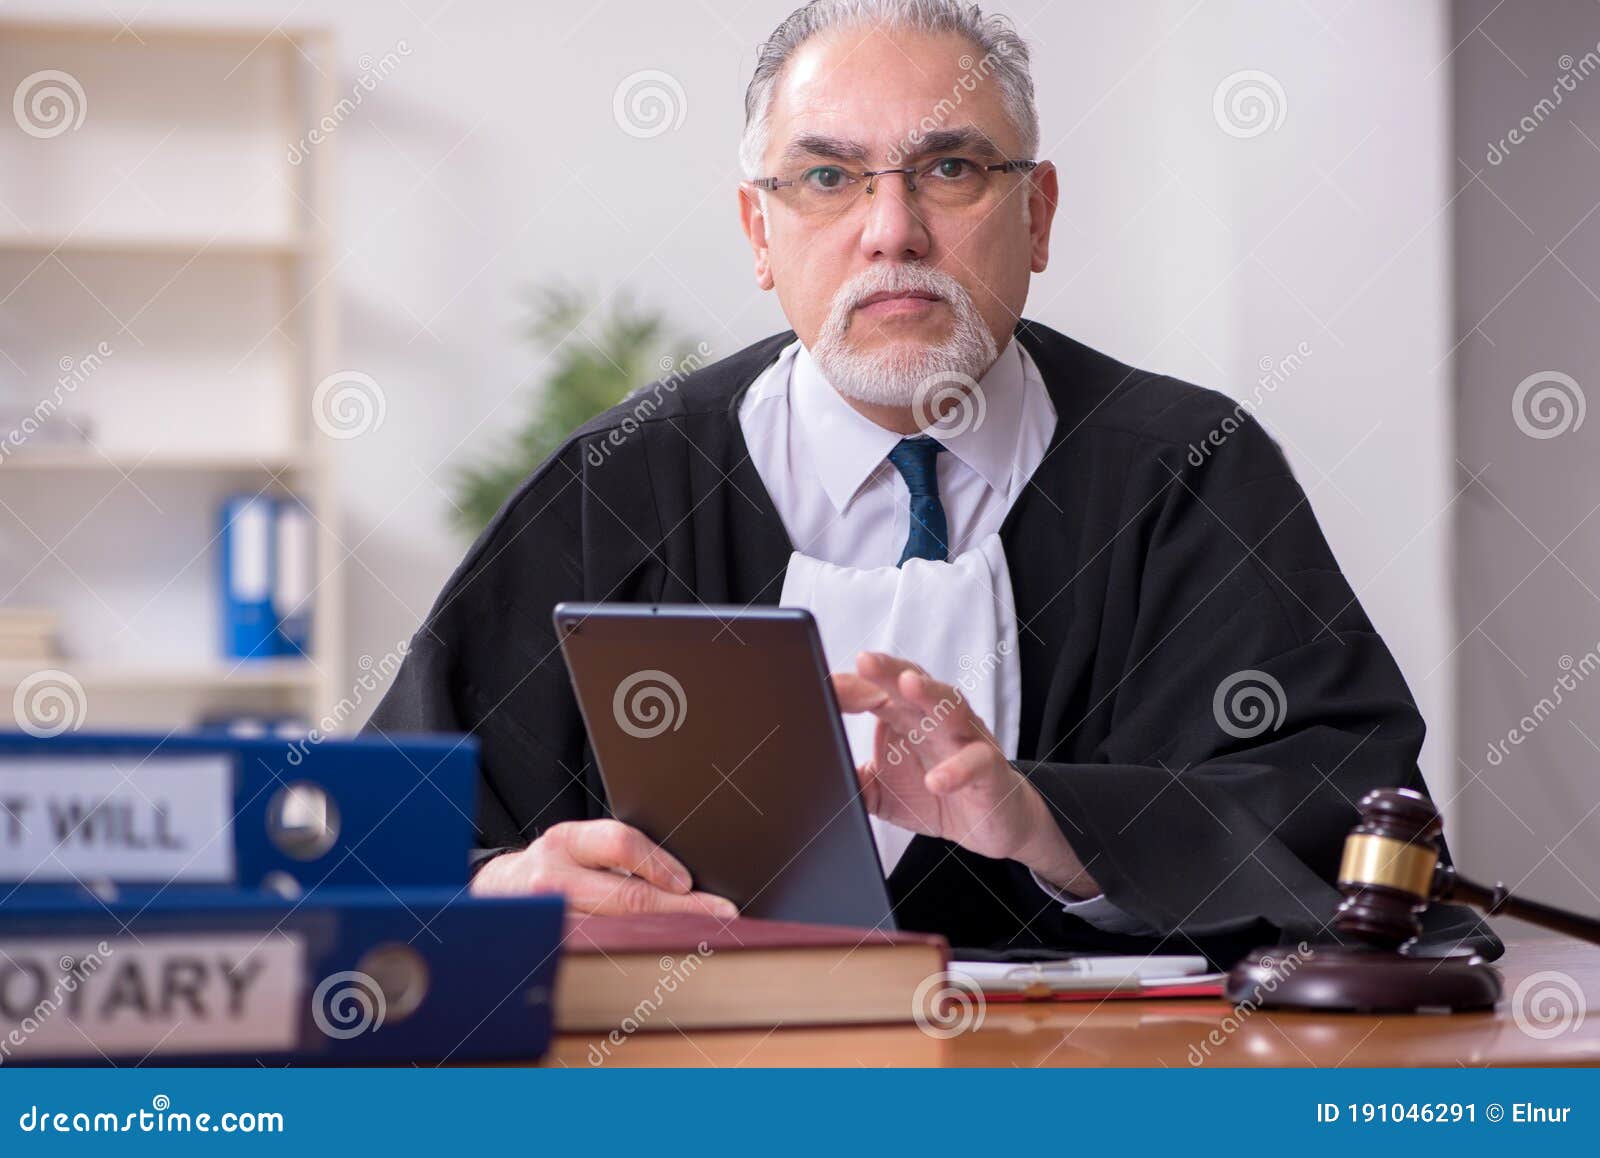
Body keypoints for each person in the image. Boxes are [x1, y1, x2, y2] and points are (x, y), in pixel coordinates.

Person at [367, 0, 1495, 961]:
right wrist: (502, 892)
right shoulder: (618, 484)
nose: (890, 231)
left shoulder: (1182, 467)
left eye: (949, 167)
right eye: (827, 177)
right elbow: (370, 840)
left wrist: (1050, 821)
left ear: (1037, 213)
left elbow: (1346, 824)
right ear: (759, 233)